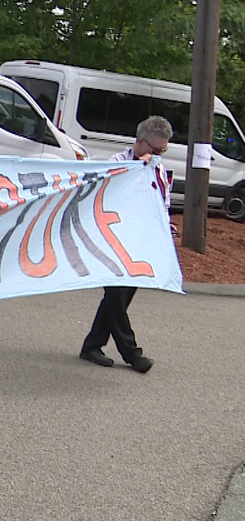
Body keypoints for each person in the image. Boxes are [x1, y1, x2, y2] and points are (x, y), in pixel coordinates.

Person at [78, 115, 174, 375]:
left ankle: (92, 345)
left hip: (140, 239)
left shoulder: (158, 167)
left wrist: (164, 228)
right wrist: (137, 168)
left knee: (120, 297)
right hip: (113, 238)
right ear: (140, 142)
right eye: (155, 149)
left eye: (163, 150)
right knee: (116, 296)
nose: (158, 155)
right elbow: (108, 189)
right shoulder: (117, 163)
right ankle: (132, 354)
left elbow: (162, 201)